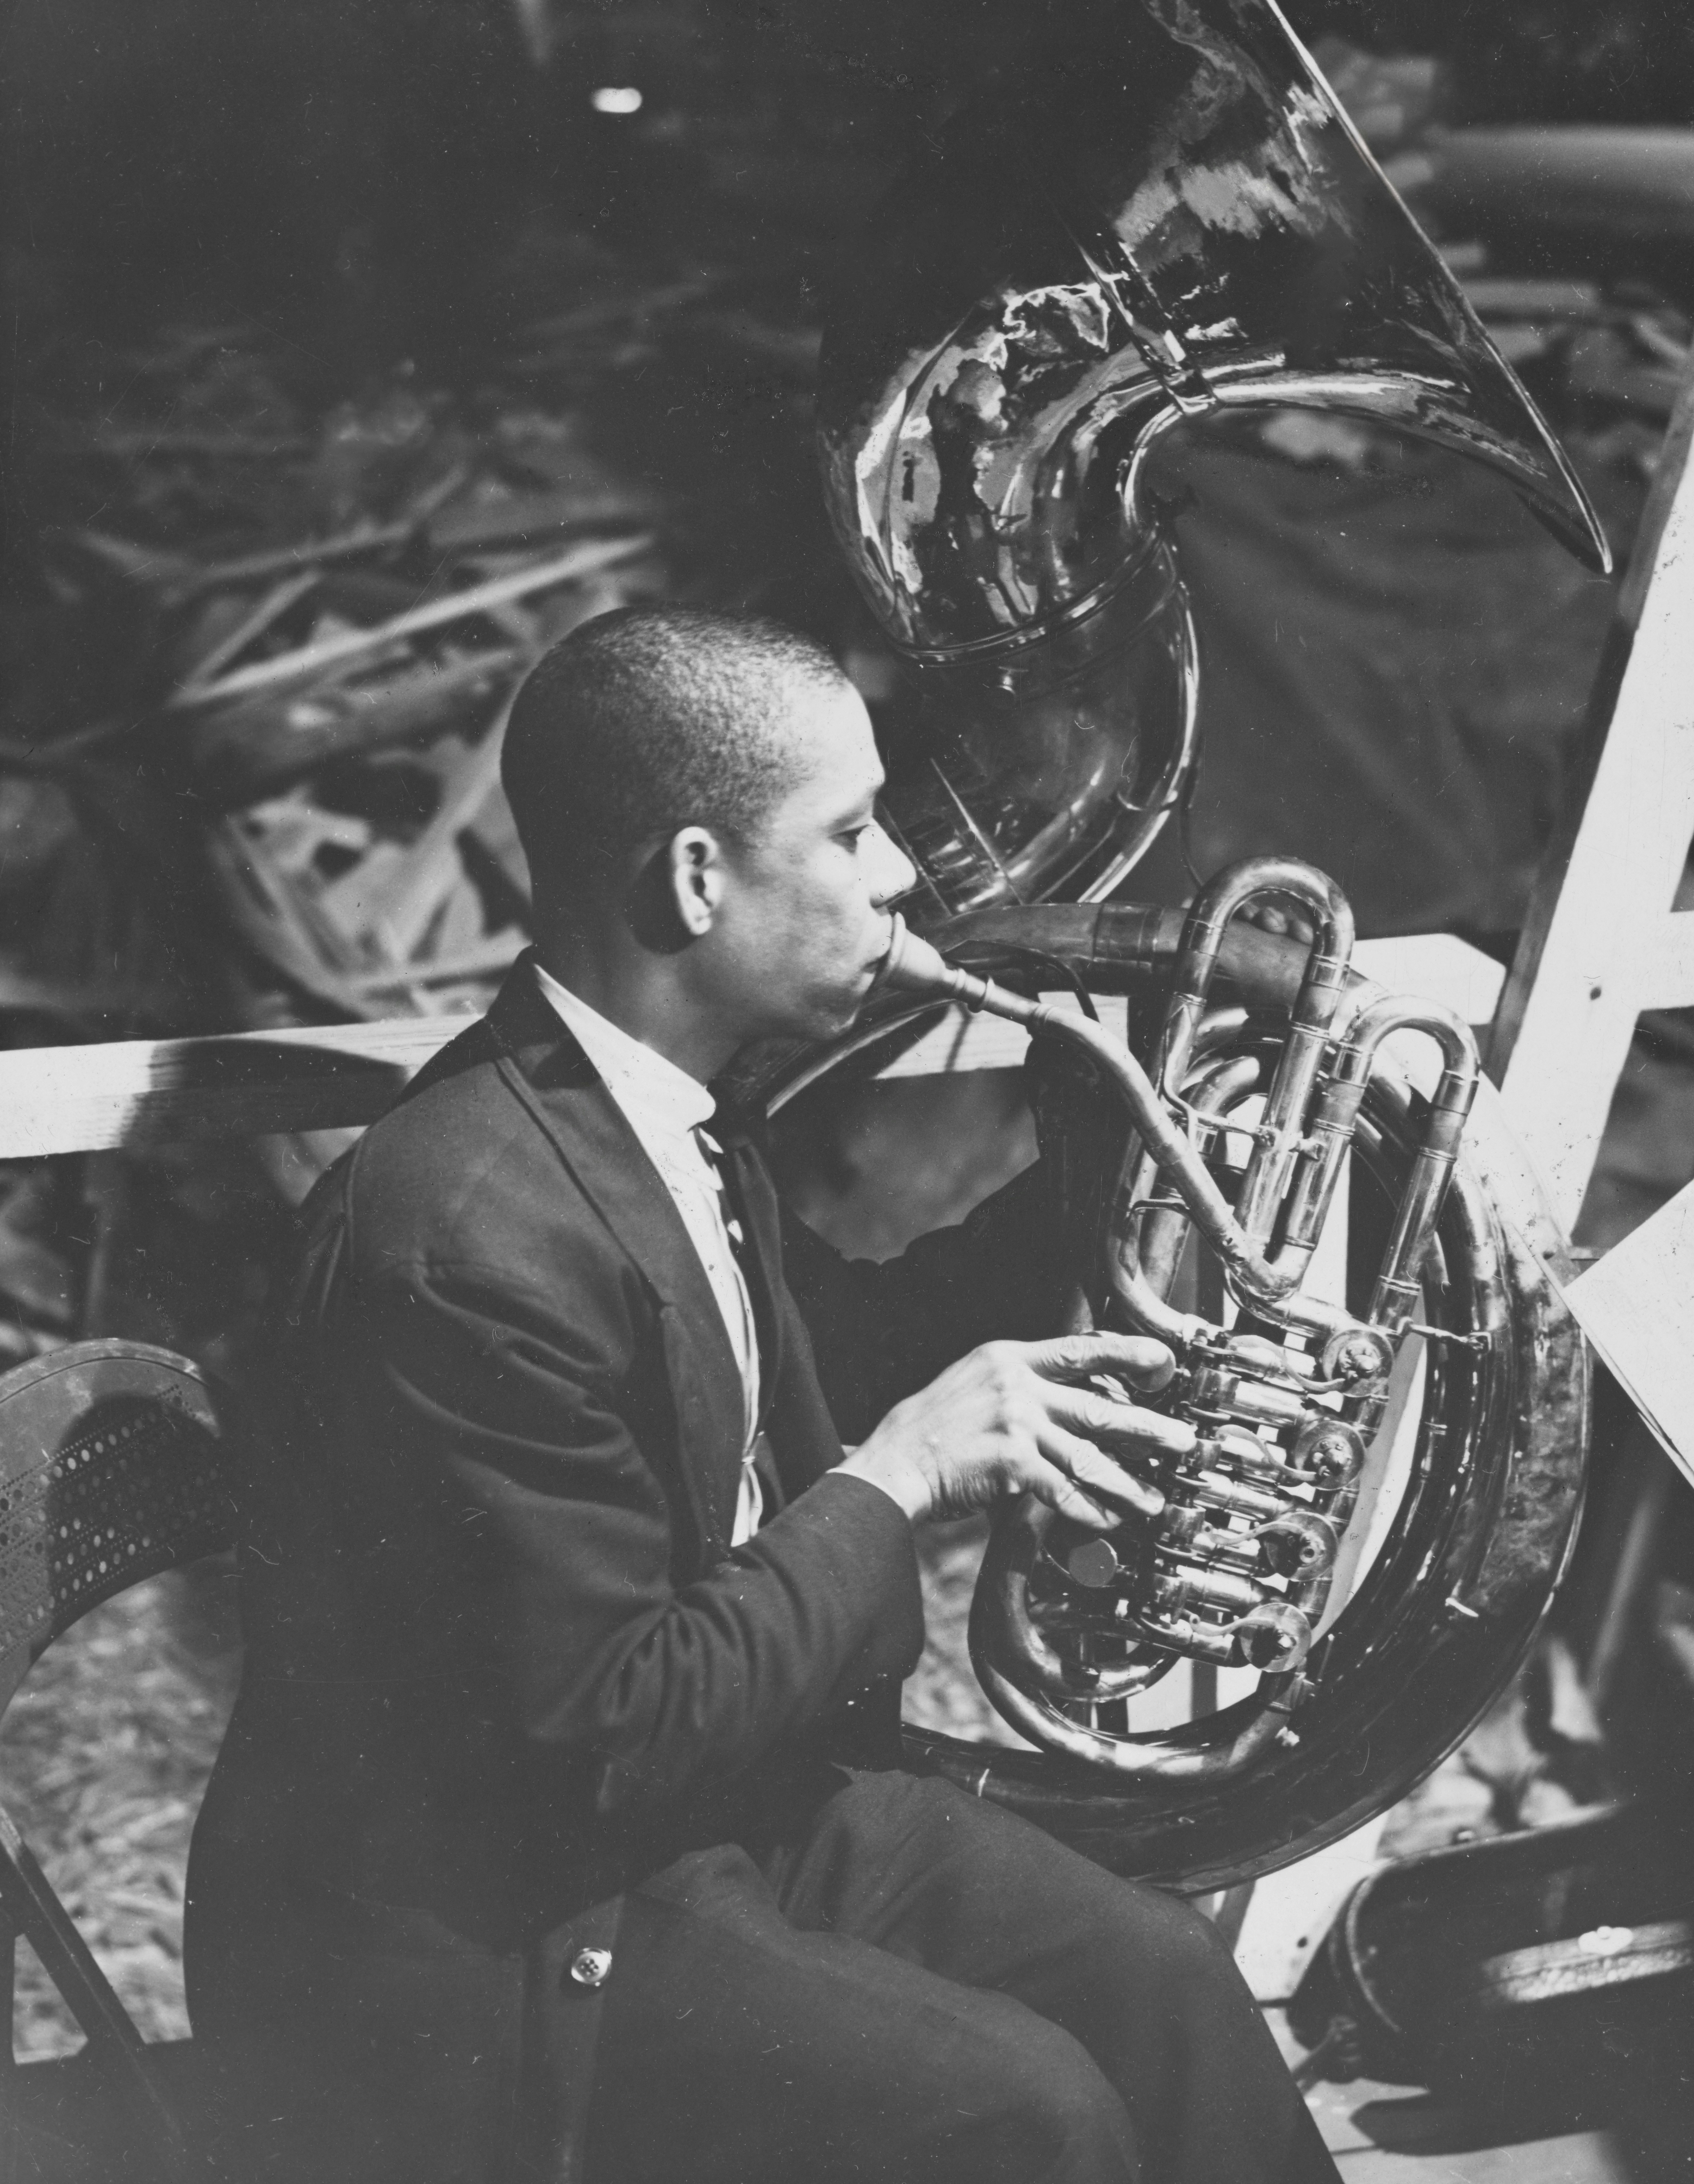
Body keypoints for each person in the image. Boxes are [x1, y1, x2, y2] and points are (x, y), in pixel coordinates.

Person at [185, 606, 1340, 2184]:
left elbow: (792, 1360)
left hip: (691, 1805)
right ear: (693, 881)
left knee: (1164, 1983)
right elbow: (606, 1731)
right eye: (852, 831)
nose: (900, 879)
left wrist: (1107, 1179)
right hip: (473, 1942)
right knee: (1026, 2110)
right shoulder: (467, 1247)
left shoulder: (653, 1114)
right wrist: (905, 1473)